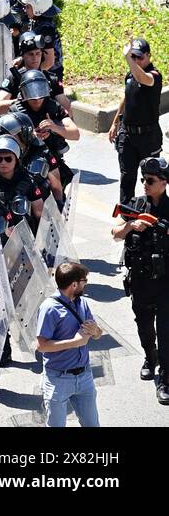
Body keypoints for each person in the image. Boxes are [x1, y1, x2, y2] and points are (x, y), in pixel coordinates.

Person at [113, 156, 169, 399]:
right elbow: (115, 232)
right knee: (144, 326)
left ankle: (165, 378)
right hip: (140, 279)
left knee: (166, 330)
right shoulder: (135, 204)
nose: (145, 184)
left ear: (164, 183)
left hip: (165, 281)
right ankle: (150, 357)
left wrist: (160, 226)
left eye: (150, 180)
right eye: (143, 179)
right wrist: (130, 227)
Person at [36, 260, 102, 427]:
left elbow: (97, 334)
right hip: (58, 378)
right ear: (74, 284)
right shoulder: (50, 308)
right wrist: (74, 343)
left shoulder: (82, 303)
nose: (85, 285)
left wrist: (95, 331)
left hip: (84, 376)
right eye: (84, 281)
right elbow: (41, 346)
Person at [109, 38, 163, 204]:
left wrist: (128, 59)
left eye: (140, 57)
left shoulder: (154, 76)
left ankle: (157, 214)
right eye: (134, 57)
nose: (136, 61)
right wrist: (115, 122)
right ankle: (126, 214)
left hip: (148, 136)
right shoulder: (130, 76)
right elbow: (127, 97)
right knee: (127, 177)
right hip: (128, 135)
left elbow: (141, 77)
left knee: (152, 178)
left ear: (148, 56)